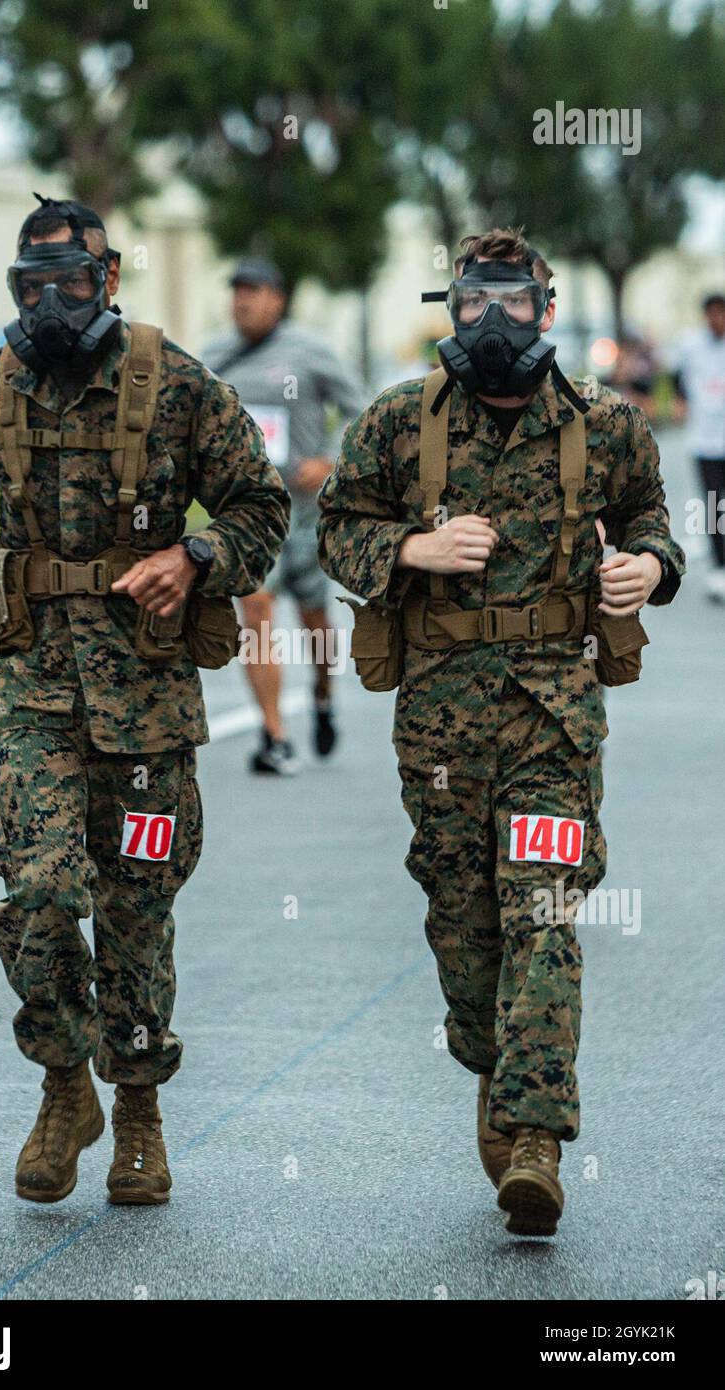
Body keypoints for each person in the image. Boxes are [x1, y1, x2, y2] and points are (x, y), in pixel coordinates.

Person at [0, 195, 289, 1206]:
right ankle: (61, 1082)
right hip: (26, 682)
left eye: (70, 282)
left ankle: (139, 1115)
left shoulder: (178, 388)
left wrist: (198, 554)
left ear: (109, 278)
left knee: (136, 912)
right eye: (30, 284)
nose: (49, 303)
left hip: (145, 700)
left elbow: (261, 504)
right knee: (34, 891)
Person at [317, 227, 685, 1237]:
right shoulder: (399, 422)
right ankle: (493, 1064)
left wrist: (646, 567)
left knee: (543, 914)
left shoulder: (603, 423)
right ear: (450, 307)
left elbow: (652, 517)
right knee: (462, 928)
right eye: (471, 301)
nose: (490, 321)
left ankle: (534, 1134)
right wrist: (413, 547)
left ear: (547, 310)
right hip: (435, 721)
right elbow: (335, 529)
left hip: (552, 724)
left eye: (512, 303)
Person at [202, 257, 366, 774]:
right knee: (254, 610)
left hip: (307, 514)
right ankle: (273, 733)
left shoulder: (310, 350)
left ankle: (321, 696)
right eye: (236, 292)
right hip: (248, 514)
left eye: (253, 291)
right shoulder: (213, 357)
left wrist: (331, 460)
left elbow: (364, 413)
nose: (243, 301)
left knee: (316, 619)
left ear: (278, 297)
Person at [670, 293, 725, 602]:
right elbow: (677, 379)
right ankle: (719, 567)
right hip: (705, 439)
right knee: (715, 505)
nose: (717, 321)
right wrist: (681, 403)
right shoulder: (691, 346)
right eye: (712, 314)